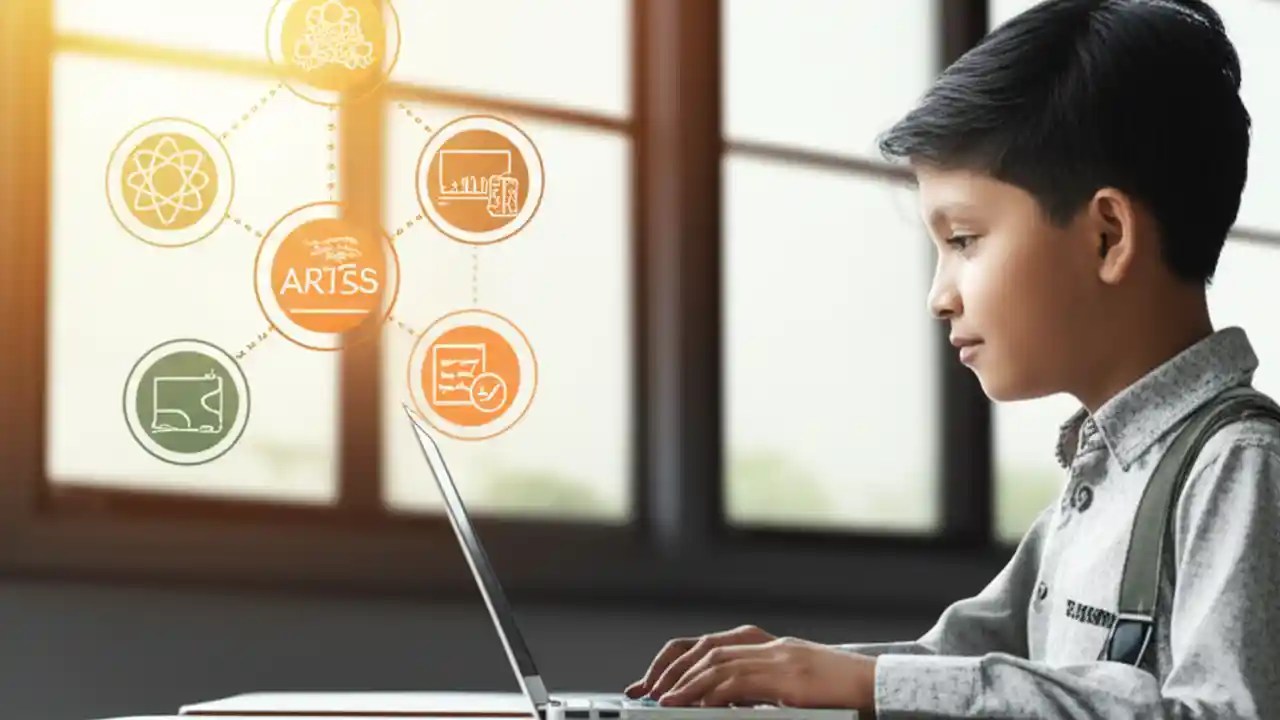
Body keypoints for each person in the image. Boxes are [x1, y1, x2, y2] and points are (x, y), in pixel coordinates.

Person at [623, 0, 1280, 717]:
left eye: (964, 239)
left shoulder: (1237, 464)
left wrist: (860, 682)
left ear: (1106, 237)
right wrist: (791, 669)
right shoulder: (1104, 473)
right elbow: (968, 659)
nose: (940, 296)